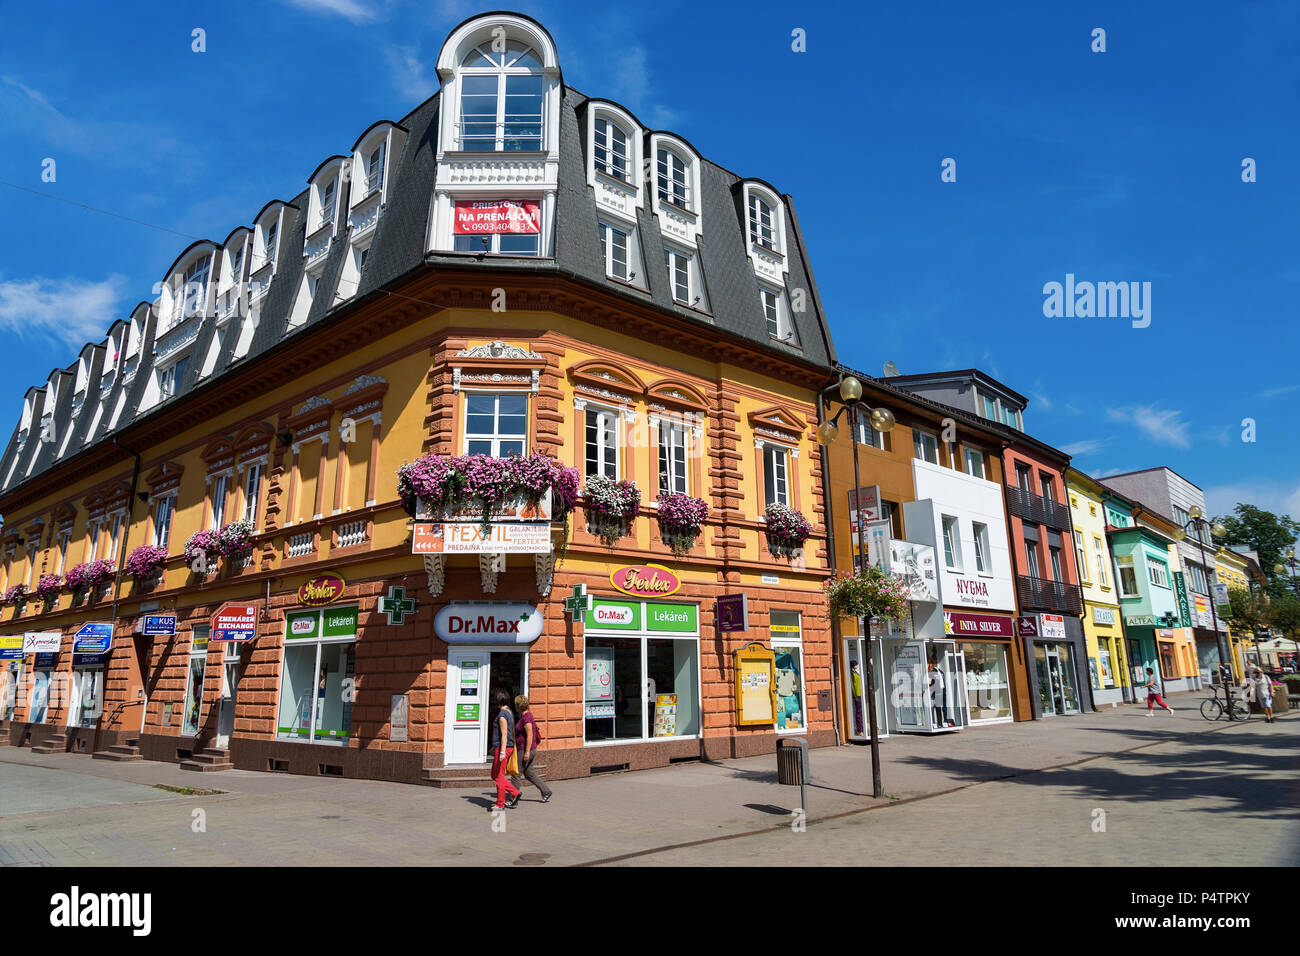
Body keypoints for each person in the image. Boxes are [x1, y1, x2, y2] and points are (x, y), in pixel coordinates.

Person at [510, 695, 553, 803]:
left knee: (516, 774)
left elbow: (530, 735)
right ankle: (546, 791)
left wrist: (527, 752)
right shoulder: (526, 716)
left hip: (525, 749)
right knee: (529, 773)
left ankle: (513, 799)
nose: (515, 707)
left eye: (516, 705)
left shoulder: (526, 718)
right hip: (528, 749)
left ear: (519, 706)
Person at [488, 690, 521, 810]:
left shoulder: (502, 715)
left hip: (504, 748)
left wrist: (501, 751)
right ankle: (515, 792)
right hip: (504, 747)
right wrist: (494, 747)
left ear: (497, 701)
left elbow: (504, 734)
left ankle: (500, 803)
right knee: (495, 774)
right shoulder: (509, 712)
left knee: (498, 776)